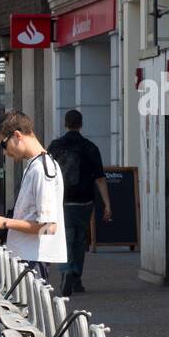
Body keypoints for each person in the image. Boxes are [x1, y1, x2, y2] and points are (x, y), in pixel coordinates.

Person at [0, 112, 66, 278]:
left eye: (3, 145)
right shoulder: (35, 167)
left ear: (17, 135)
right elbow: (26, 218)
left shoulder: (43, 169)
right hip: (25, 258)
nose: (4, 153)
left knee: (25, 305)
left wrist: (4, 222)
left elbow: (49, 227)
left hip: (32, 260)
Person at [47, 109, 112, 297]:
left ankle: (66, 270)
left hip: (62, 201)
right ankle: (76, 277)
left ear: (65, 124)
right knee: (80, 238)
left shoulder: (55, 146)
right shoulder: (90, 147)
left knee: (65, 238)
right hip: (84, 201)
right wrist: (107, 204)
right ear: (81, 124)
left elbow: (47, 175)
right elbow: (100, 178)